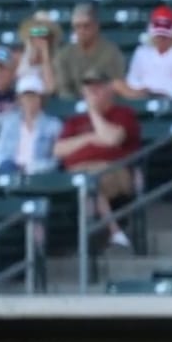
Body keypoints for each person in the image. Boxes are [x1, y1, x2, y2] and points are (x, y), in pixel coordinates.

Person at [53, 68, 142, 250]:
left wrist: (93, 112)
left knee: (89, 183)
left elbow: (111, 139)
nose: (93, 92)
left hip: (114, 170)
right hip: (76, 171)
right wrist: (91, 138)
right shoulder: (75, 120)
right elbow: (58, 150)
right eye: (89, 88)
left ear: (110, 89)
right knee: (84, 183)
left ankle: (104, 235)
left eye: (98, 87)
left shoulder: (123, 113)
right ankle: (111, 234)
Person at [117, 5, 172, 100]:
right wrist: (142, 90)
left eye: (164, 37)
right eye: (159, 36)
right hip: (145, 97)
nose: (161, 39)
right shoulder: (141, 52)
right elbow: (133, 80)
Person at [53, 3, 127, 100]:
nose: (81, 31)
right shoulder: (64, 55)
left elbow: (117, 85)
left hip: (105, 104)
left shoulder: (112, 52)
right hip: (74, 108)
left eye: (86, 26)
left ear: (96, 26)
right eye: (77, 27)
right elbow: (63, 89)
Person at [0, 75, 62, 175]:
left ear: (40, 99)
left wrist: (32, 168)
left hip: (38, 175)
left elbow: (56, 161)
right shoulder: (10, 122)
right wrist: (7, 165)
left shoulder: (54, 125)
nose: (29, 101)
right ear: (20, 100)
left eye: (33, 96)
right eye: (25, 97)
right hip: (10, 172)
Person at [15, 11, 62, 96]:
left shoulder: (58, 59)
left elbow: (50, 88)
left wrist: (45, 57)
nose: (39, 37)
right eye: (36, 32)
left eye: (43, 33)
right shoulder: (19, 57)